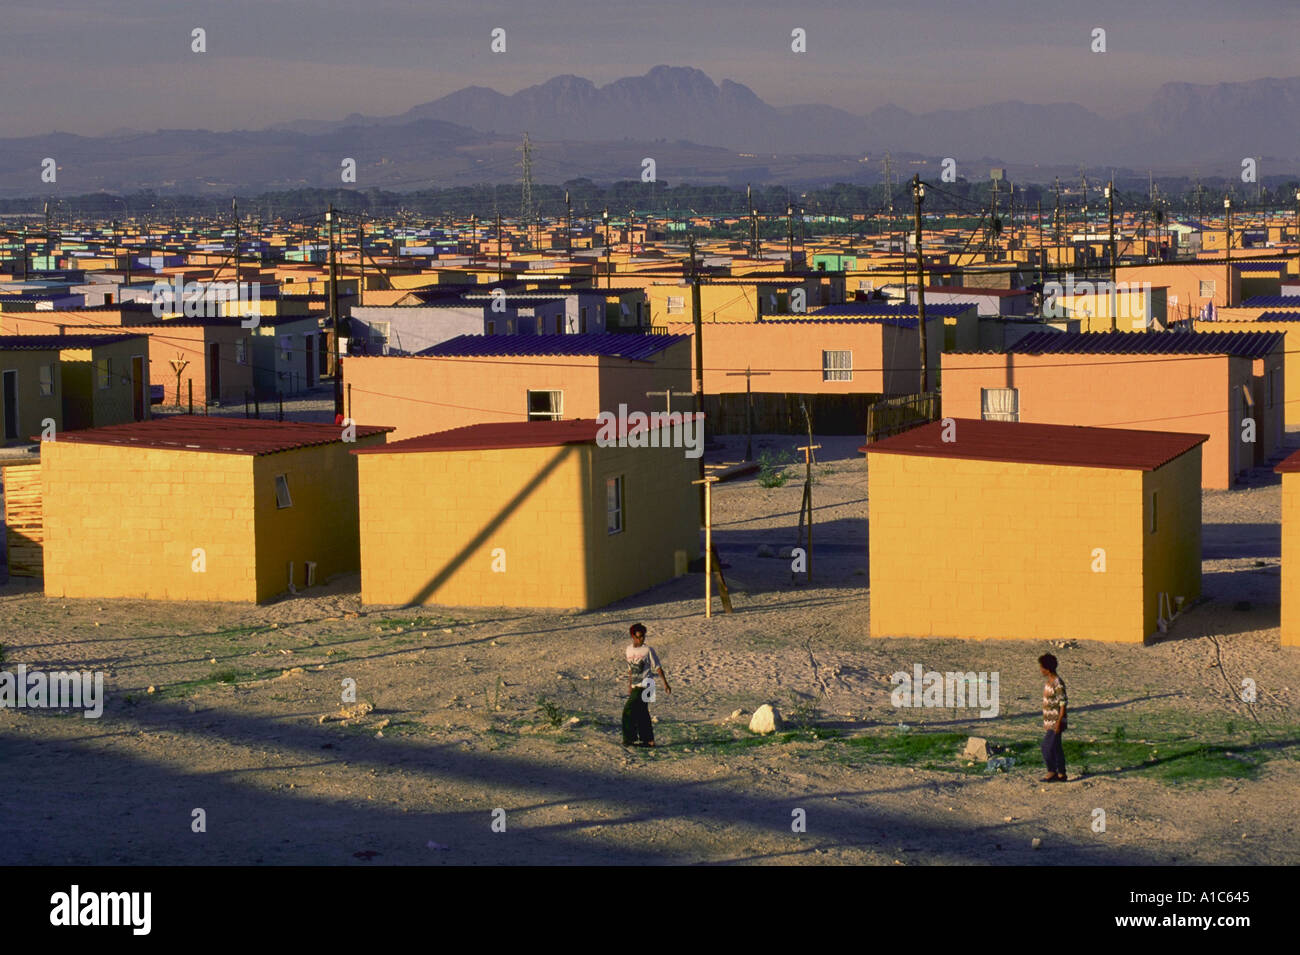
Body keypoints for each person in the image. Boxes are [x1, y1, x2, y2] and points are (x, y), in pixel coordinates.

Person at [623, 623, 670, 747]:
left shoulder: (648, 650)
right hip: (635, 686)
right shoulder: (628, 650)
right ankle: (648, 740)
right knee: (642, 712)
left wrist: (665, 684)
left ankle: (629, 738)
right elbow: (630, 670)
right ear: (632, 636)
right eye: (638, 637)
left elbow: (658, 667)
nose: (641, 639)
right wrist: (630, 686)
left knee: (628, 710)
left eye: (643, 636)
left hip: (648, 685)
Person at [1039, 653, 1068, 782]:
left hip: (1056, 721)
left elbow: (1063, 704)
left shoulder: (1058, 683)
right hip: (1049, 720)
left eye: (1042, 667)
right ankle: (1061, 774)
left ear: (1048, 669)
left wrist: (1059, 721)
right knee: (1056, 748)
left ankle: (1051, 771)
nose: (1040, 670)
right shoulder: (1049, 682)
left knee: (1046, 747)